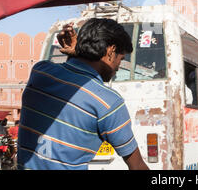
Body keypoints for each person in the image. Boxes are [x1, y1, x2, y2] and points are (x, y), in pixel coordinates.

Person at [17, 18, 149, 170]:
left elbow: (70, 80)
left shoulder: (40, 72)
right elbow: (137, 165)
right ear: (111, 51)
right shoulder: (108, 102)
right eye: (121, 59)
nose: (119, 67)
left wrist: (77, 54)